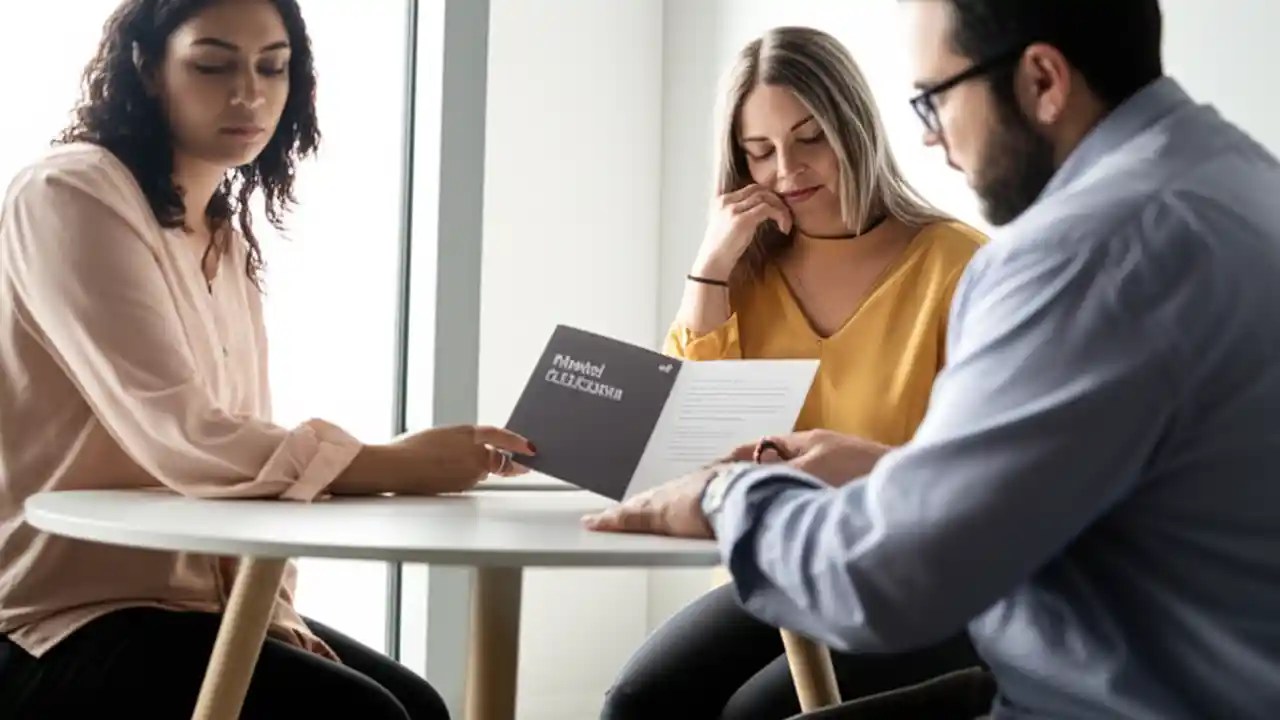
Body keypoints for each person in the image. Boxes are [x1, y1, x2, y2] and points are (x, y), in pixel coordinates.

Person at [584, 0, 1280, 719]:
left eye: (935, 98)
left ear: (1043, 80)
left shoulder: (1079, 254)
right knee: (645, 699)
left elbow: (902, 578)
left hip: (1097, 684)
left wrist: (724, 496)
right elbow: (1041, 477)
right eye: (760, 150)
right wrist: (883, 468)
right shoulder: (1234, 180)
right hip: (1149, 655)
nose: (928, 138)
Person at [0, 1, 533, 718]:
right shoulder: (70, 193)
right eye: (213, 65)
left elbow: (235, 470)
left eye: (273, 67)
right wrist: (394, 462)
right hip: (60, 614)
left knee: (419, 706)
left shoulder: (224, 236)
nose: (249, 93)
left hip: (197, 602)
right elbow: (187, 436)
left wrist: (278, 620)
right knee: (365, 715)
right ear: (147, 69)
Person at [600, 26, 988, 720]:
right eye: (760, 152)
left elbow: (989, 475)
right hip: (780, 570)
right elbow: (685, 445)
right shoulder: (741, 272)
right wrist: (709, 269)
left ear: (855, 127)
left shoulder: (958, 266)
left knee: (755, 714)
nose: (787, 170)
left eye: (810, 139)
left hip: (917, 582)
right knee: (638, 703)